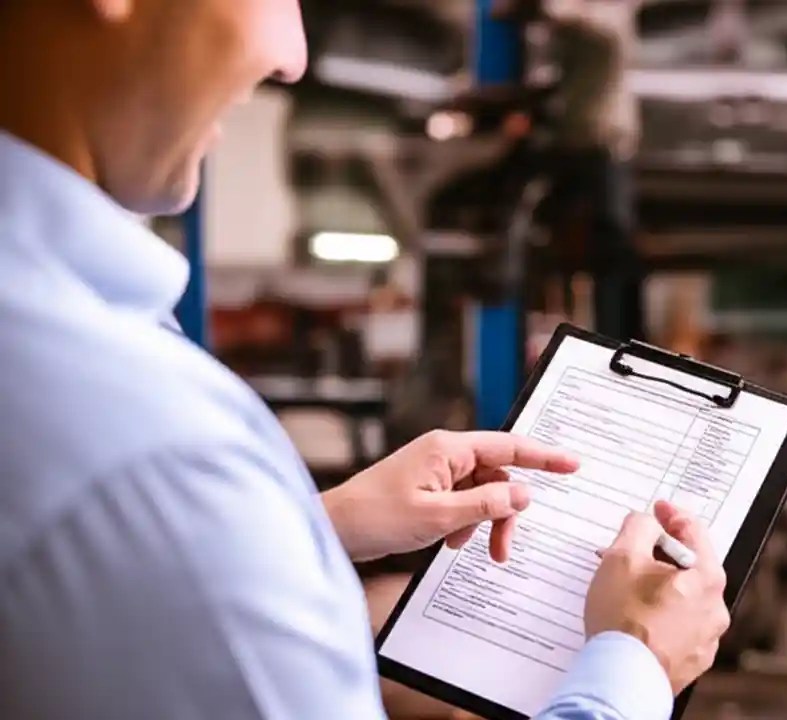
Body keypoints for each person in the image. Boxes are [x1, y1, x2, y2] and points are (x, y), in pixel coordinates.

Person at [0, 2, 730, 719]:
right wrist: (632, 667)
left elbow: (105, 585)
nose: (292, 55)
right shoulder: (158, 455)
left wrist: (309, 530)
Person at [542, 0, 646, 342]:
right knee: (573, 245)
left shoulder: (607, 17)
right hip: (577, 140)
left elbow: (566, 17)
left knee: (612, 246)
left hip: (603, 144)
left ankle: (617, 338)